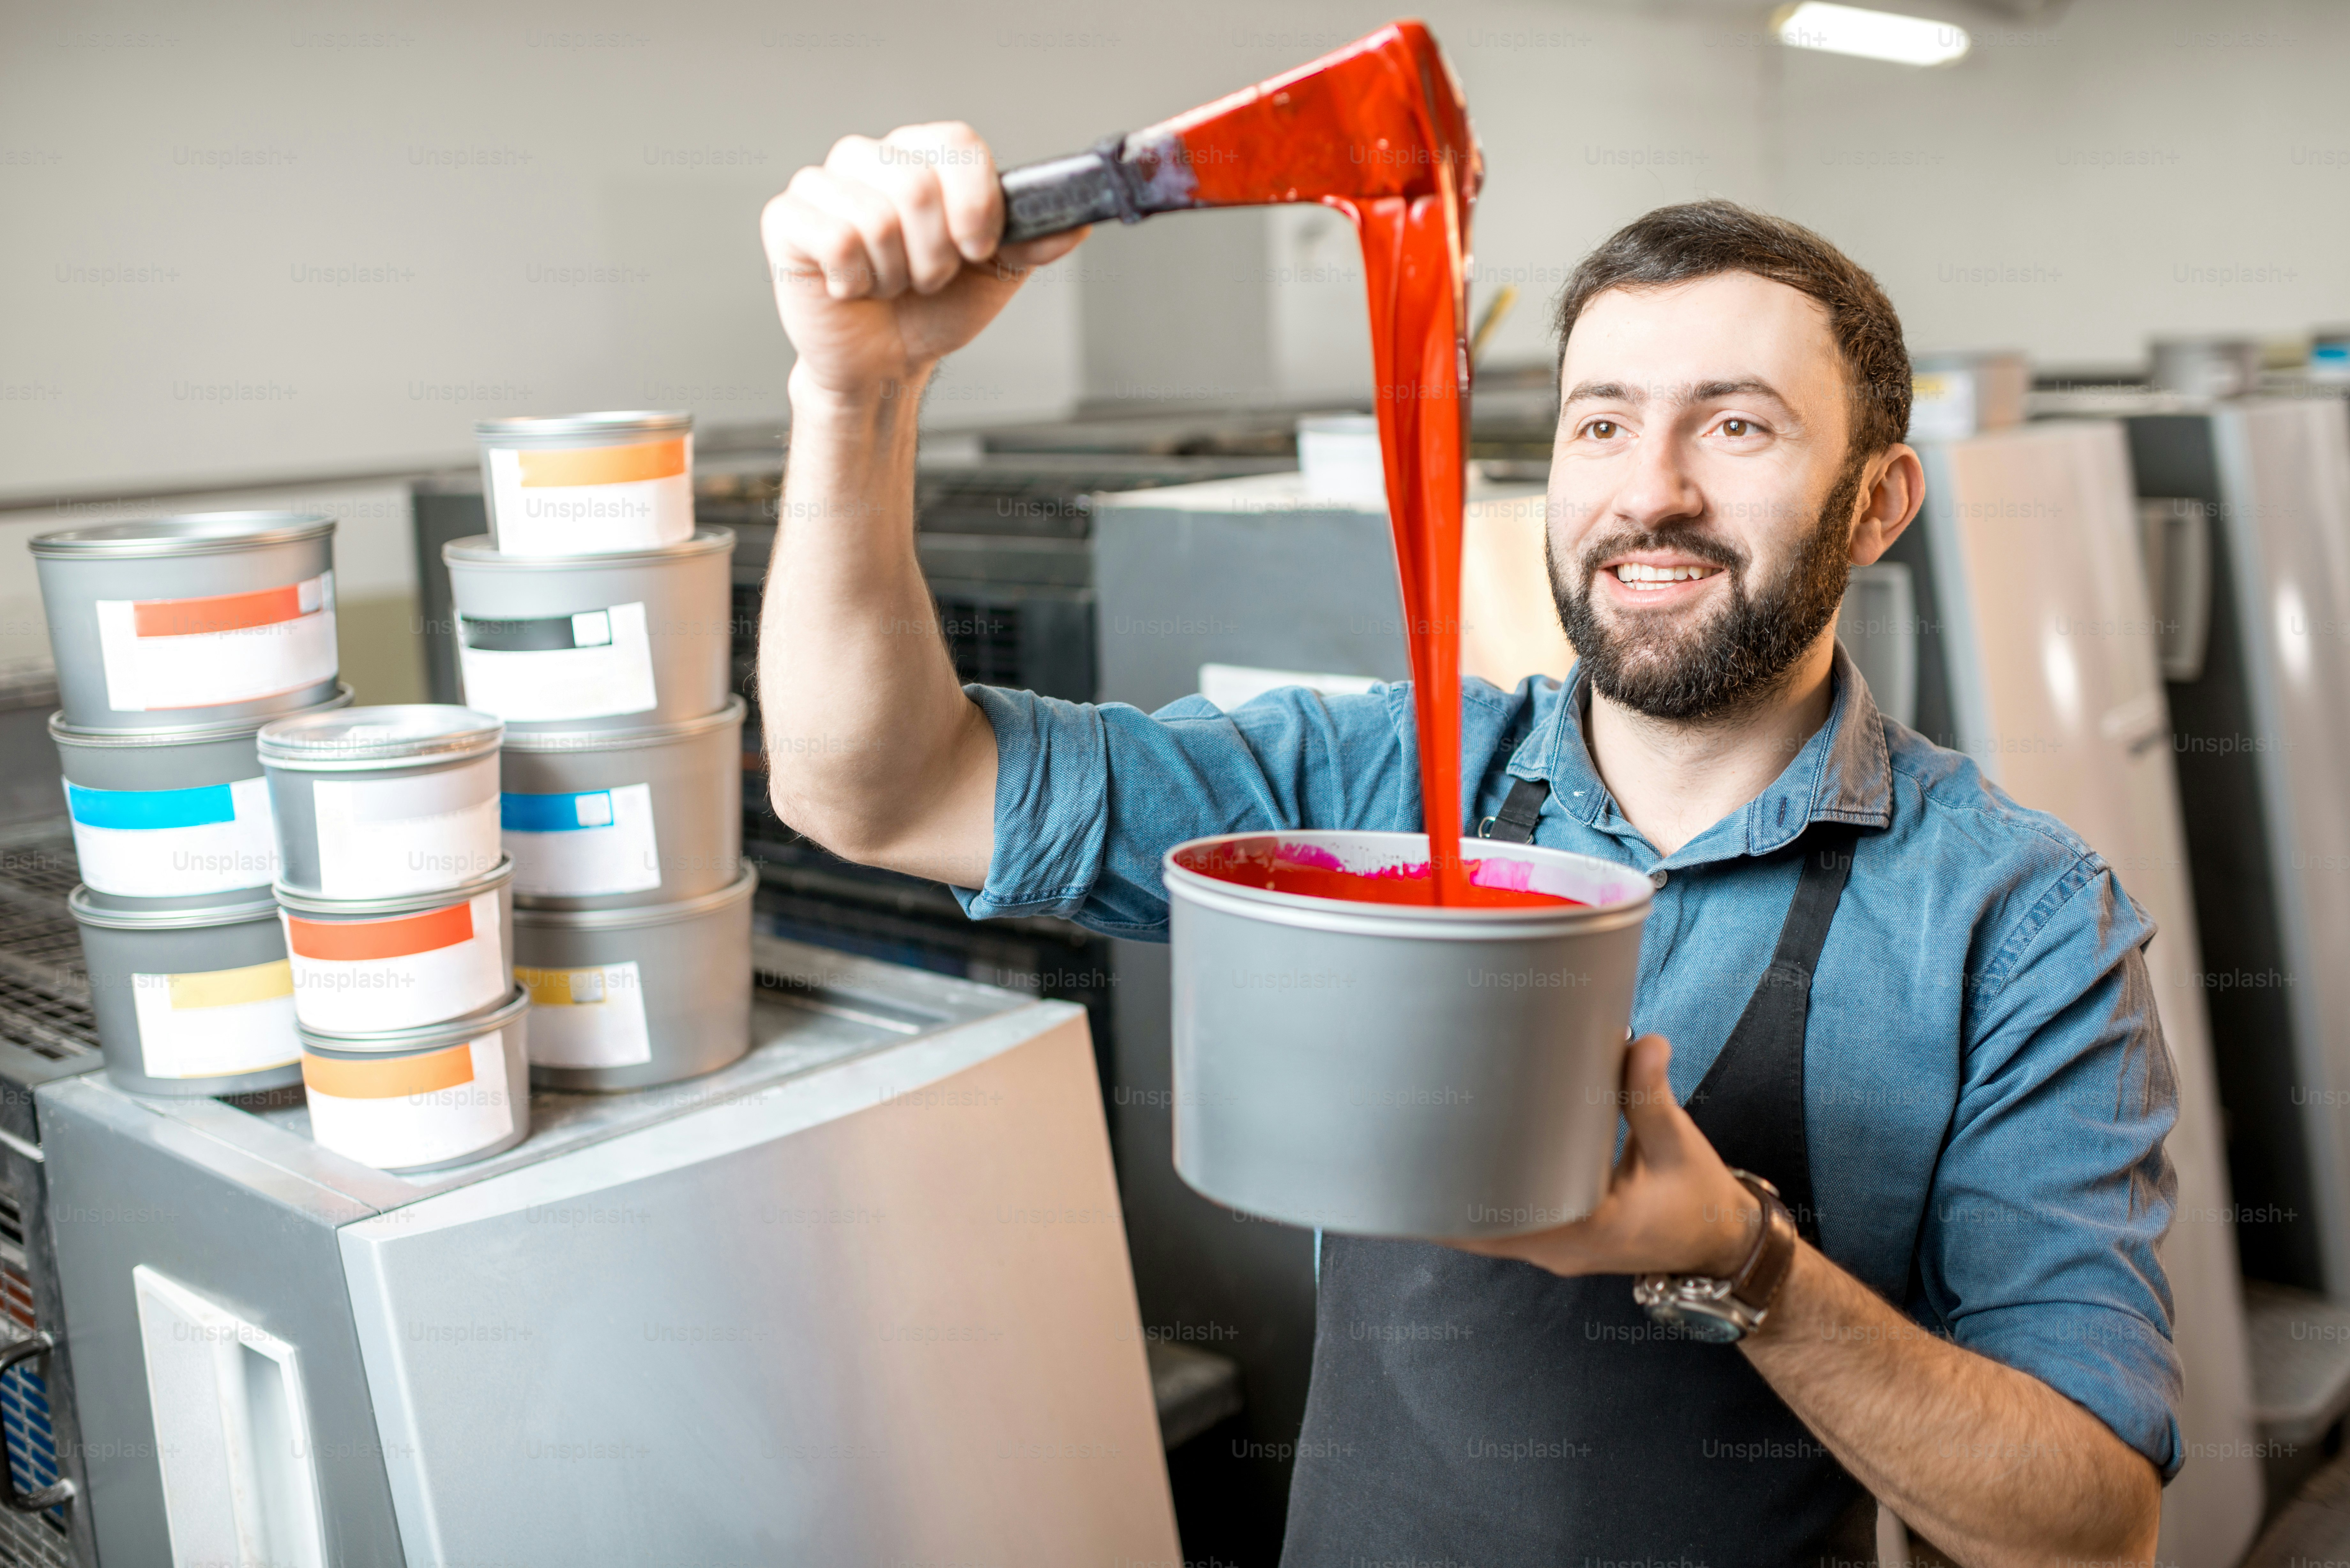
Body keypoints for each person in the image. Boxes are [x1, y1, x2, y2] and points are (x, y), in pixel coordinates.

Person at [756, 122, 2176, 1566]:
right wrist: (856, 387)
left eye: (1736, 423)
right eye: (1602, 422)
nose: (1650, 490)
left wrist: (1737, 1262)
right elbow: (874, 790)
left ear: (1876, 503)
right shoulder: (1381, 783)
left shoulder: (2018, 919)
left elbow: (2088, 1525)